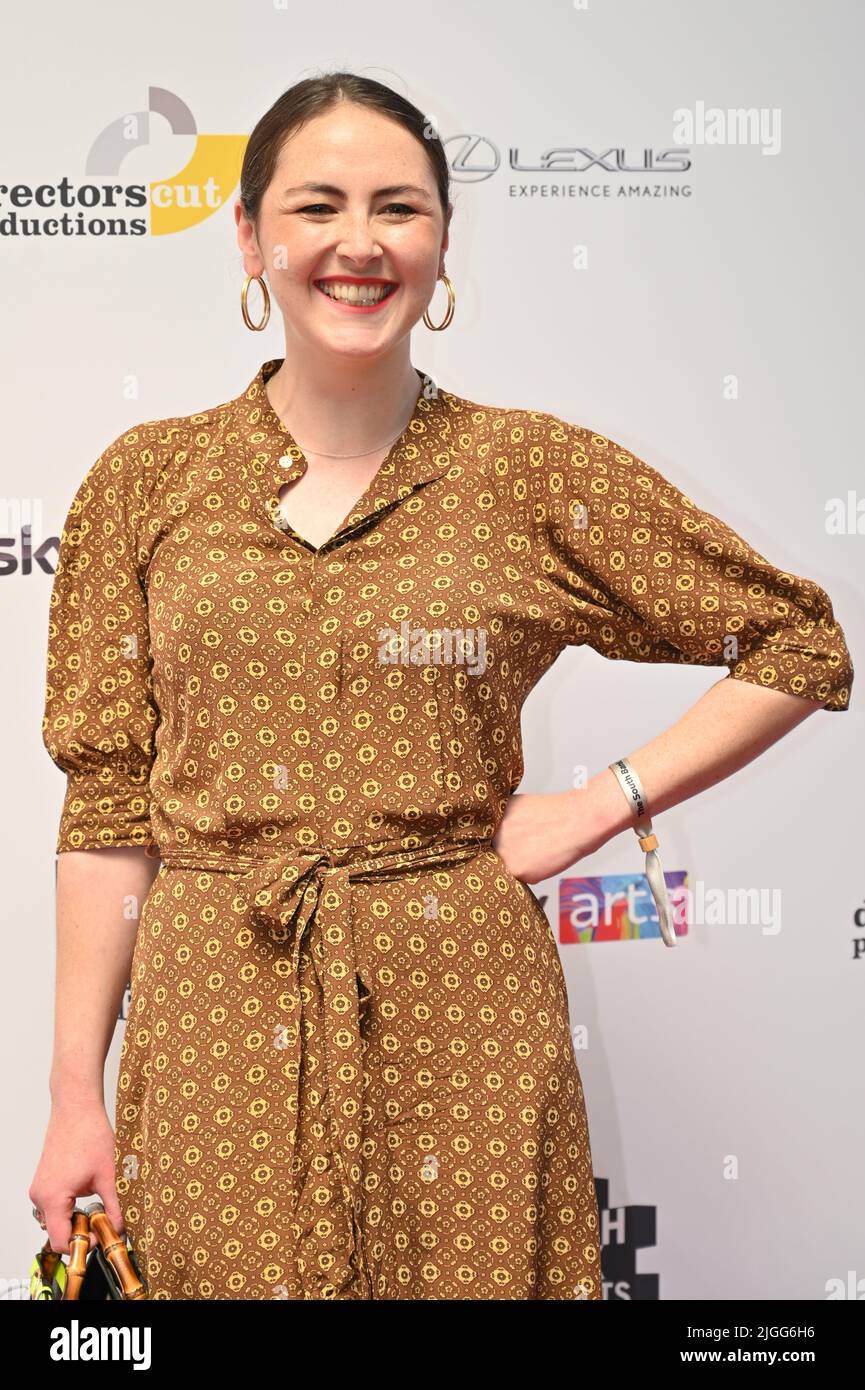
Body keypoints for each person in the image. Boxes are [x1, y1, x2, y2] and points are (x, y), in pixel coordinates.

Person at [30, 71, 854, 1302]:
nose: (360, 243)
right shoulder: (145, 483)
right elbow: (105, 815)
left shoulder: (523, 471)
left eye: (398, 208)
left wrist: (601, 801)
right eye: (318, 206)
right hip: (210, 1018)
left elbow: (799, 640)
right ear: (250, 237)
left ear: (442, 242)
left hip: (460, 1003)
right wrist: (71, 1096)